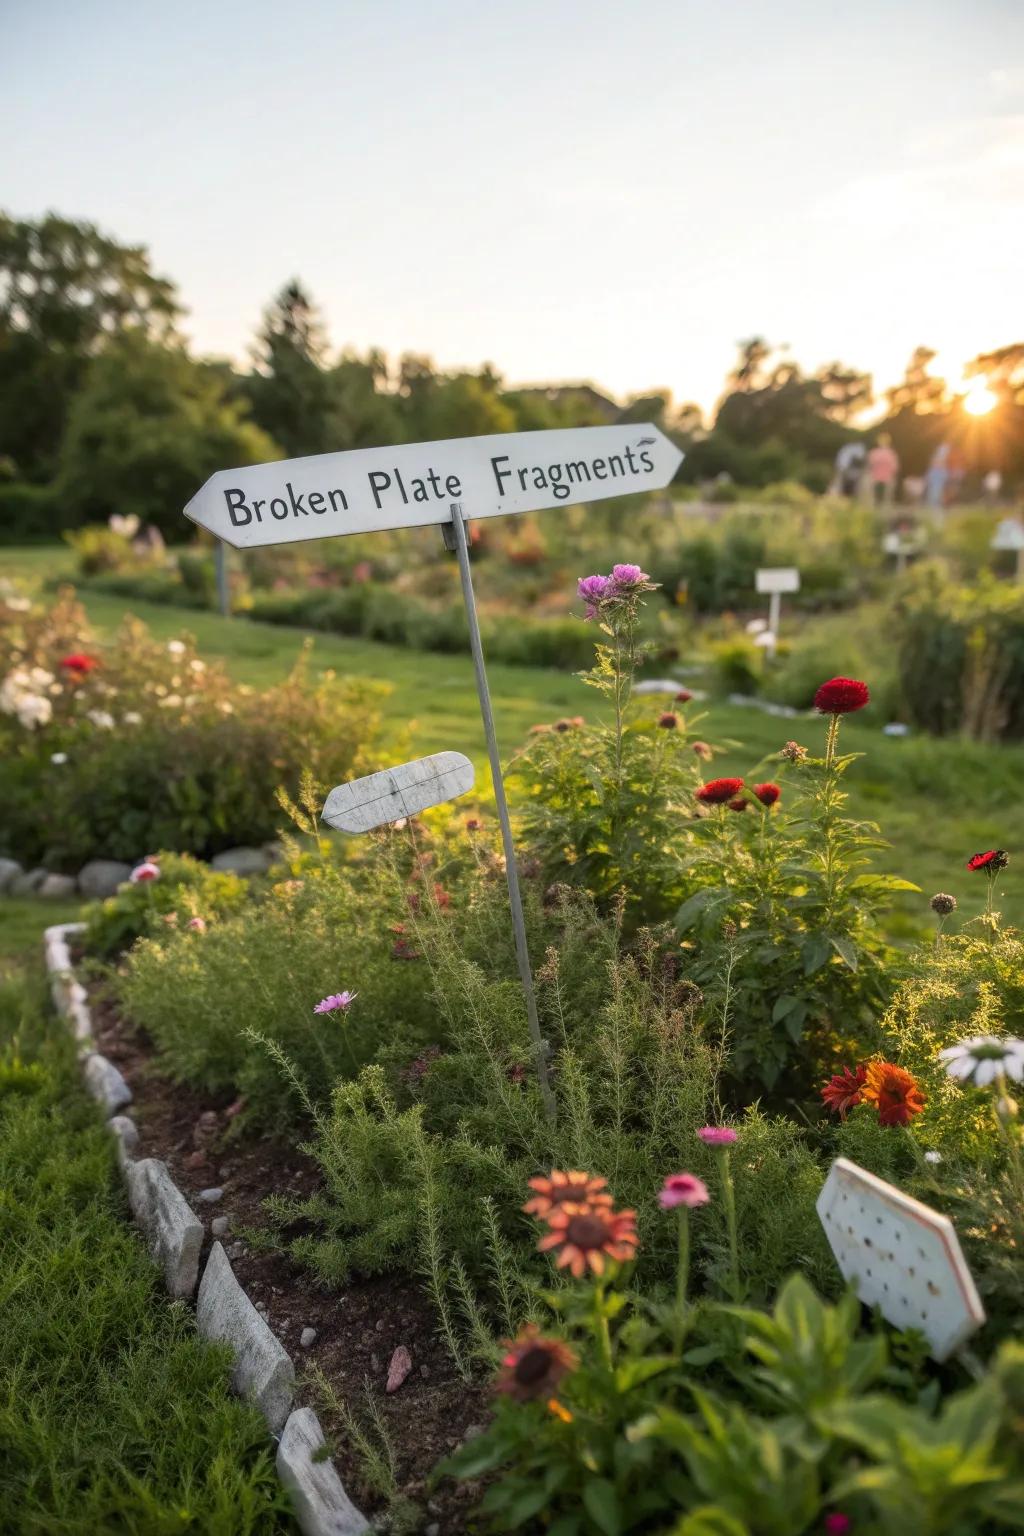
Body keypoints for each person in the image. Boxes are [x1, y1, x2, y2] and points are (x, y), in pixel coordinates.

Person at [868, 434, 899, 509]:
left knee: (880, 493)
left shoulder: (878, 452)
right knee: (879, 493)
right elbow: (895, 466)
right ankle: (878, 505)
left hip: (882, 476)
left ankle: (879, 505)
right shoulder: (889, 453)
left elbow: (871, 463)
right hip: (879, 476)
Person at [926, 442, 950, 512]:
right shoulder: (938, 459)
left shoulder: (942, 463)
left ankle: (938, 507)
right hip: (935, 480)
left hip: (938, 481)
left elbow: (944, 473)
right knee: (934, 496)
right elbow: (932, 470)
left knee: (937, 496)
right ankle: (935, 508)